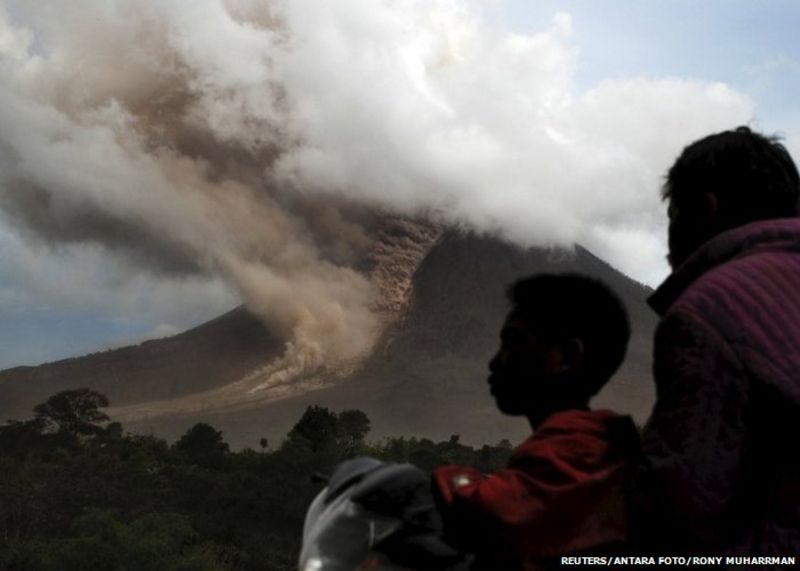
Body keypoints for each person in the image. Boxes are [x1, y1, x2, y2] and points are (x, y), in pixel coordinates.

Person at [632, 126, 800, 555]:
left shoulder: (710, 310)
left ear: (705, 210)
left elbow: (674, 517)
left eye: (672, 221)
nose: (668, 248)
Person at [433, 274, 639, 569]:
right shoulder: (598, 442)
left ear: (567, 357)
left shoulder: (577, 448)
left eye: (513, 342)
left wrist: (444, 478)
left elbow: (492, 512)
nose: (494, 362)